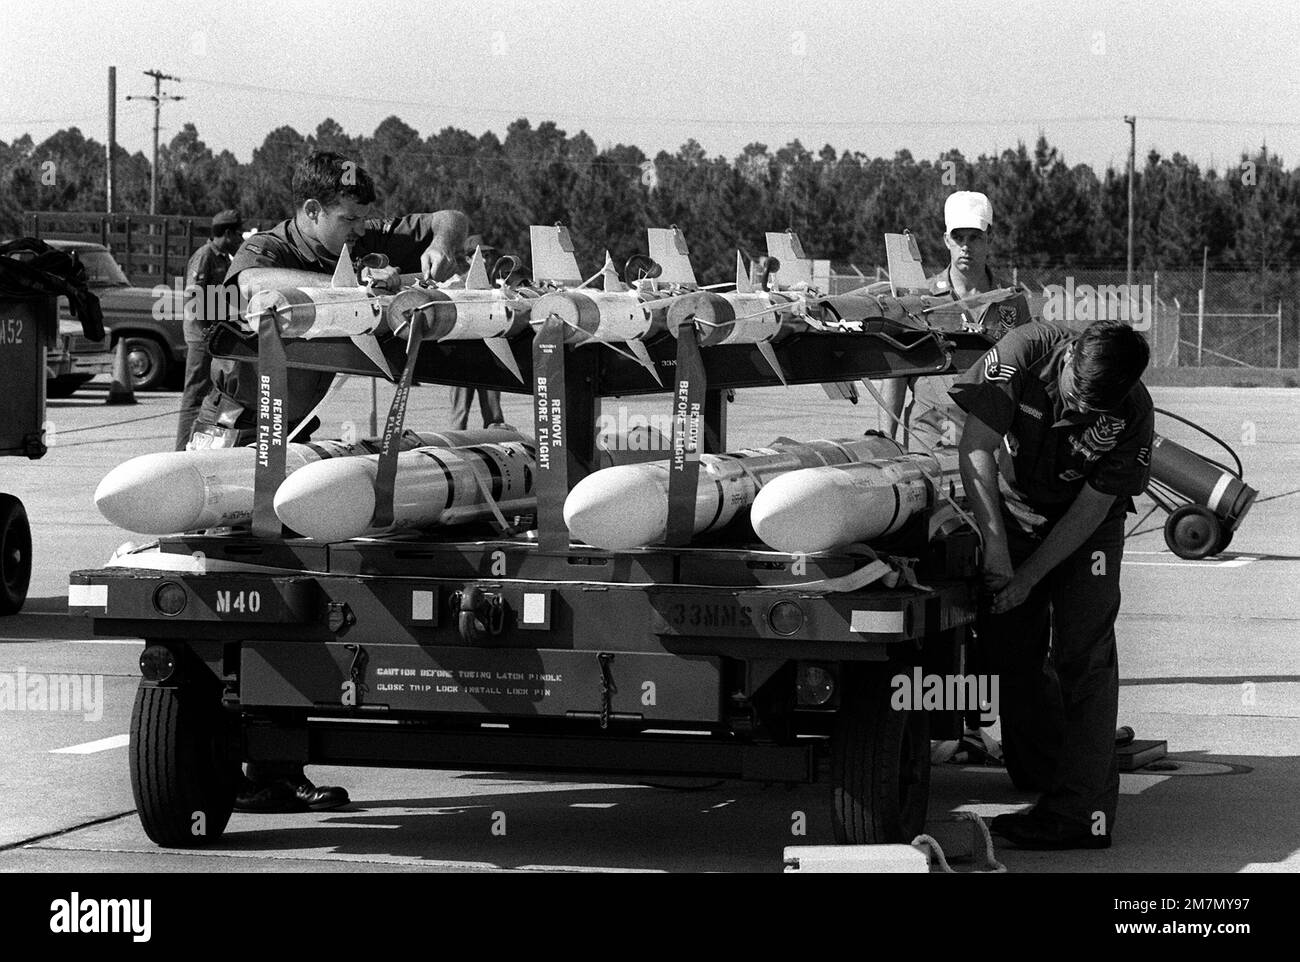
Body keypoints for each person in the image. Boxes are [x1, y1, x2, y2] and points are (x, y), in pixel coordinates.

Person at [193, 151, 468, 812]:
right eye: (345, 220)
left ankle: (273, 771)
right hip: (233, 440)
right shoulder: (262, 249)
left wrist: (437, 247)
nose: (356, 230)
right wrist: (362, 288)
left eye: (360, 219)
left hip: (286, 442)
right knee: (230, 604)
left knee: (292, 600)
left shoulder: (358, 237)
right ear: (311, 212)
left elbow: (450, 217)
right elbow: (254, 288)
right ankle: (212, 762)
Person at [951, 319, 1154, 849]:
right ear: (1067, 362)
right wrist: (995, 547)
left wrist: (1031, 577)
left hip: (1085, 533)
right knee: (1009, 651)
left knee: (1084, 657)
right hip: (1012, 516)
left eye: (1094, 413)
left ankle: (1078, 814)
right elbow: (976, 445)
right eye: (1074, 401)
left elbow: (1093, 506)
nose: (1080, 416)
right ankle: (1045, 772)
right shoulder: (1021, 354)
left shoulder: (1132, 409)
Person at [874, 190, 1030, 446]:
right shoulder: (920, 301)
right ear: (947, 240)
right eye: (959, 237)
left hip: (991, 437)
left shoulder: (1011, 300)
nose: (966, 246)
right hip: (930, 435)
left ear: (989, 239)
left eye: (975, 237)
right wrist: (886, 441)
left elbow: (1027, 373)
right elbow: (897, 375)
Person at [174, 210, 244, 450]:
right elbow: (193, 297)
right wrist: (206, 332)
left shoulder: (224, 258)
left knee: (214, 395)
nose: (240, 239)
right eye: (238, 234)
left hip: (216, 337)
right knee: (194, 396)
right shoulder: (205, 256)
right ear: (227, 233)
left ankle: (200, 444)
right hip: (202, 337)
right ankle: (181, 450)